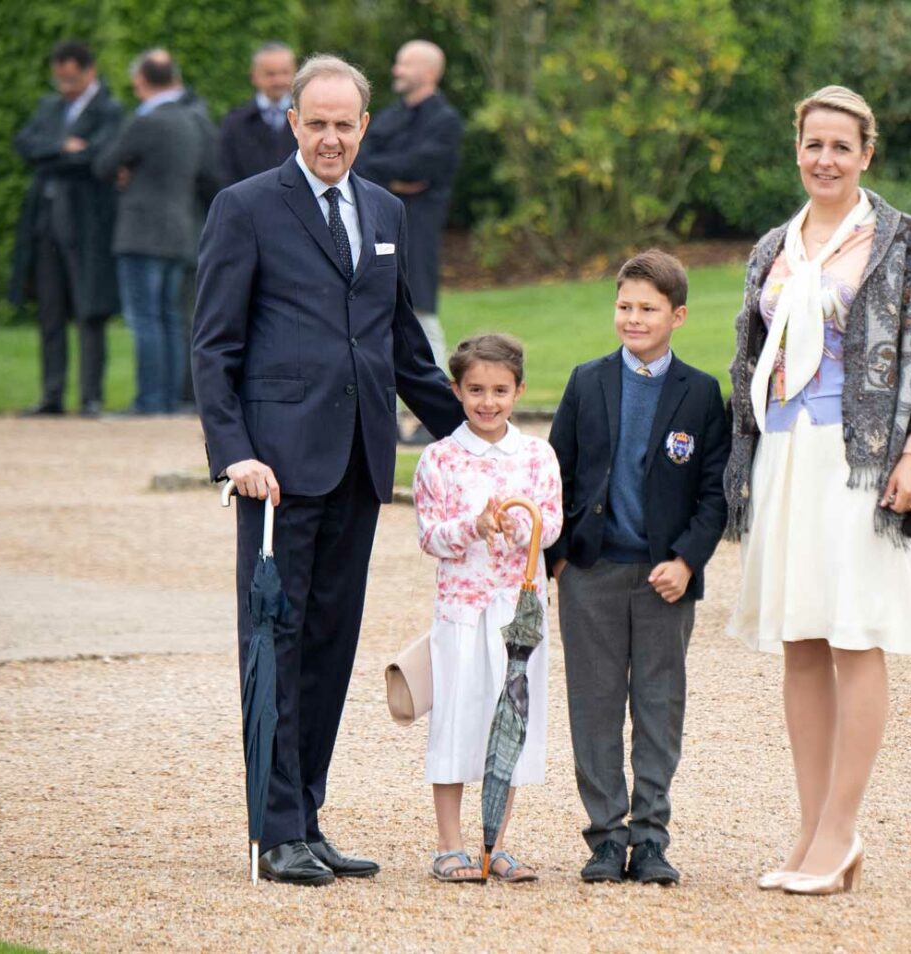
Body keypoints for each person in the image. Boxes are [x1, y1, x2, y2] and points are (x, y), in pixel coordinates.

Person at [192, 54, 464, 886]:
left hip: (358, 467)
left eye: (346, 124)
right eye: (317, 123)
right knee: (271, 647)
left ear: (365, 127)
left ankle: (306, 817)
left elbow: (405, 350)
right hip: (273, 471)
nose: (331, 137)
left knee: (329, 647)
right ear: (294, 123)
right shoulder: (244, 209)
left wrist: (482, 444)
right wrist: (234, 450)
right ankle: (272, 833)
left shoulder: (383, 210)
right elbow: (213, 345)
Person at [723, 86, 911, 896]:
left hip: (859, 459)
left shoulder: (900, 241)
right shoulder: (772, 247)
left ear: (867, 153)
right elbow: (751, 363)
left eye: (840, 146)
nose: (824, 159)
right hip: (785, 458)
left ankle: (841, 827)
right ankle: (809, 825)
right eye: (811, 143)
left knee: (855, 635)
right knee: (801, 639)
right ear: (798, 148)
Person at [545, 250, 729, 885]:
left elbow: (715, 494)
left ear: (677, 316)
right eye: (624, 306)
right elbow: (555, 472)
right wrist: (560, 557)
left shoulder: (703, 395)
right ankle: (605, 837)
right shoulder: (586, 381)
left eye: (647, 309)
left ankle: (650, 838)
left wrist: (686, 560)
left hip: (664, 581)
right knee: (594, 707)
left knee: (658, 705)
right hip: (591, 572)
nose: (633, 318)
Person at [412, 334, 562, 884]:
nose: (488, 401)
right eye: (475, 389)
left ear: (518, 390)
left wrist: (516, 522)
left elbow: (551, 524)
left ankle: (494, 841)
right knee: (457, 715)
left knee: (511, 718)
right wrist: (474, 525)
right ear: (456, 390)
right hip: (462, 607)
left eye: (500, 390)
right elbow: (429, 534)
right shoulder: (440, 458)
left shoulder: (536, 455)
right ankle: (449, 843)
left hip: (517, 609)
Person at [94, 50, 218, 415]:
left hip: (141, 231)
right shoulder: (192, 120)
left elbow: (104, 165)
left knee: (144, 317)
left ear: (141, 81)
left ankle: (149, 399)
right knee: (169, 318)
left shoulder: (146, 120)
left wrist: (125, 171)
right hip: (180, 229)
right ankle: (168, 398)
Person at [354, 39, 463, 444]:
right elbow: (360, 160)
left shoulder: (445, 121)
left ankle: (430, 417)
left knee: (421, 317)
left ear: (429, 72)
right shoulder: (387, 118)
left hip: (418, 233)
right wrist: (395, 178)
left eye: (405, 64)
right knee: (376, 317)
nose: (396, 70)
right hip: (375, 227)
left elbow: (422, 166)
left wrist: (387, 171)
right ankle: (389, 417)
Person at [10, 40, 123, 417]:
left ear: (90, 71)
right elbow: (25, 144)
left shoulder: (109, 109)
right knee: (50, 312)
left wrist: (53, 155)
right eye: (60, 79)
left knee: (90, 311)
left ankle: (91, 396)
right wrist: (62, 146)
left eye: (72, 79)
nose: (65, 86)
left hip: (86, 226)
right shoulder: (49, 107)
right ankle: (52, 394)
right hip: (45, 226)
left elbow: (96, 159)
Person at [218, 41, 298, 188]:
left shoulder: (308, 120)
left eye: (285, 73)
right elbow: (225, 175)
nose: (279, 80)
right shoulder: (234, 123)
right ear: (254, 76)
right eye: (270, 74)